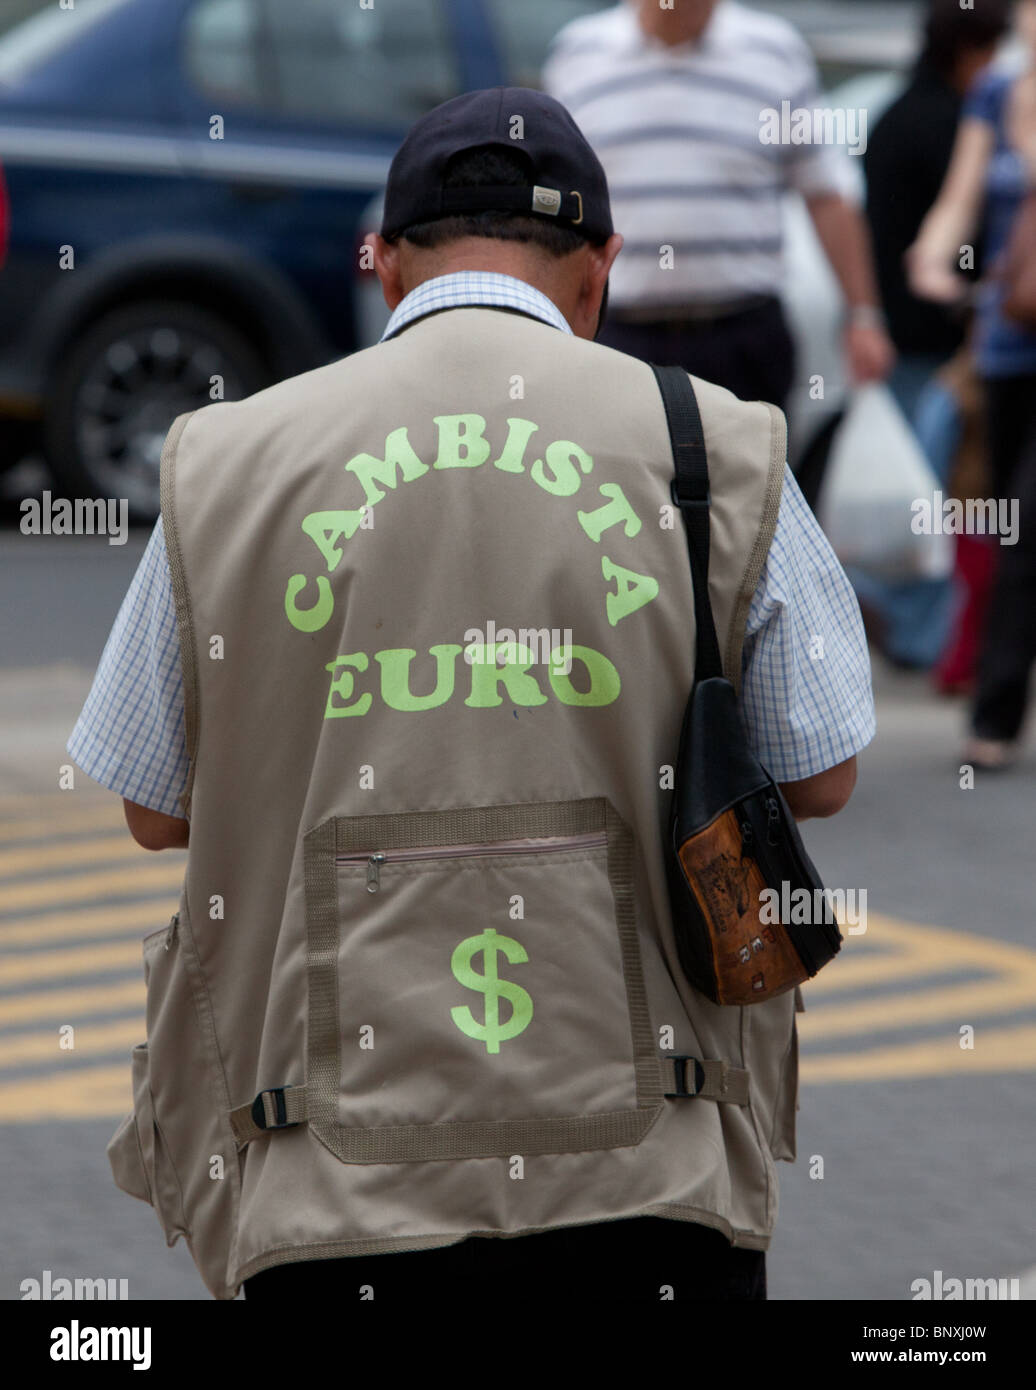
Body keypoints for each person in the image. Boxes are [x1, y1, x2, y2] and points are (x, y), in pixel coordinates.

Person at [67, 87, 875, 1303]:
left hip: (326, 1177)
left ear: (385, 264)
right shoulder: (719, 445)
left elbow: (152, 808)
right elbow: (822, 774)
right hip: (648, 1171)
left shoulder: (223, 457)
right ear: (599, 270)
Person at [541, 0, 895, 419]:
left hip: (742, 337)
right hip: (619, 337)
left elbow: (826, 193)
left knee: (752, 462)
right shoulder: (577, 54)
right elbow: (557, 202)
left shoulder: (774, 51)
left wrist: (864, 315)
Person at [848, 0, 1009, 672]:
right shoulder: (952, 125)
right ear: (969, 49)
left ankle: (904, 616)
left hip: (899, 333)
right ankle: (909, 622)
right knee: (939, 494)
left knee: (922, 492)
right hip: (936, 343)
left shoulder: (894, 115)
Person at [909, 0, 1036, 769]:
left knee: (1026, 525)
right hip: (1008, 345)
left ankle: (994, 712)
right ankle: (995, 707)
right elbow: (961, 200)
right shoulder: (996, 89)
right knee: (1003, 523)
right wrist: (932, 257)